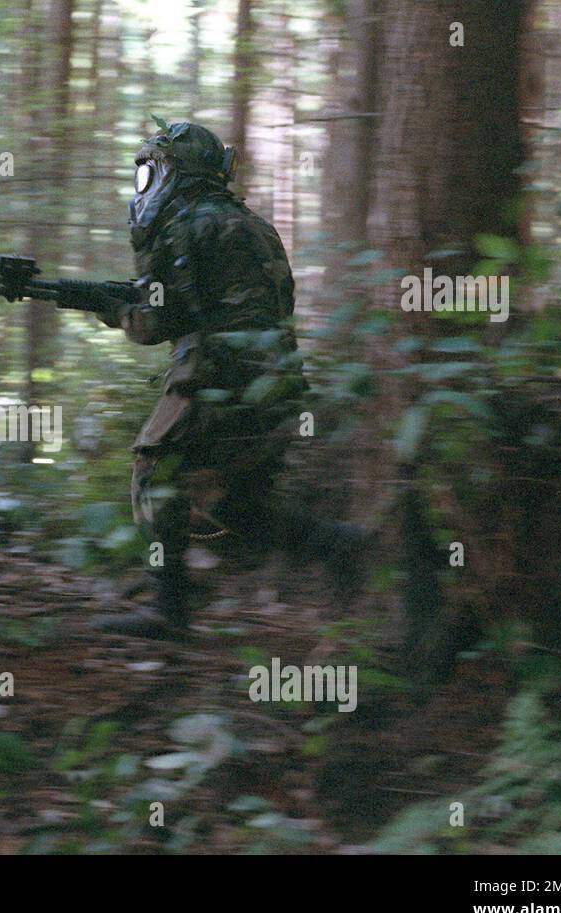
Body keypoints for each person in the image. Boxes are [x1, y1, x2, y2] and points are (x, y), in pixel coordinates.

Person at [90, 120, 352, 637]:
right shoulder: (252, 225)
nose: (145, 187)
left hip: (217, 374)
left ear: (175, 174)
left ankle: (168, 610)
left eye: (151, 173)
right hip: (277, 382)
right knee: (236, 504)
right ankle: (339, 546)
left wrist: (117, 311)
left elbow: (157, 321)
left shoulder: (186, 226)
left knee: (156, 471)